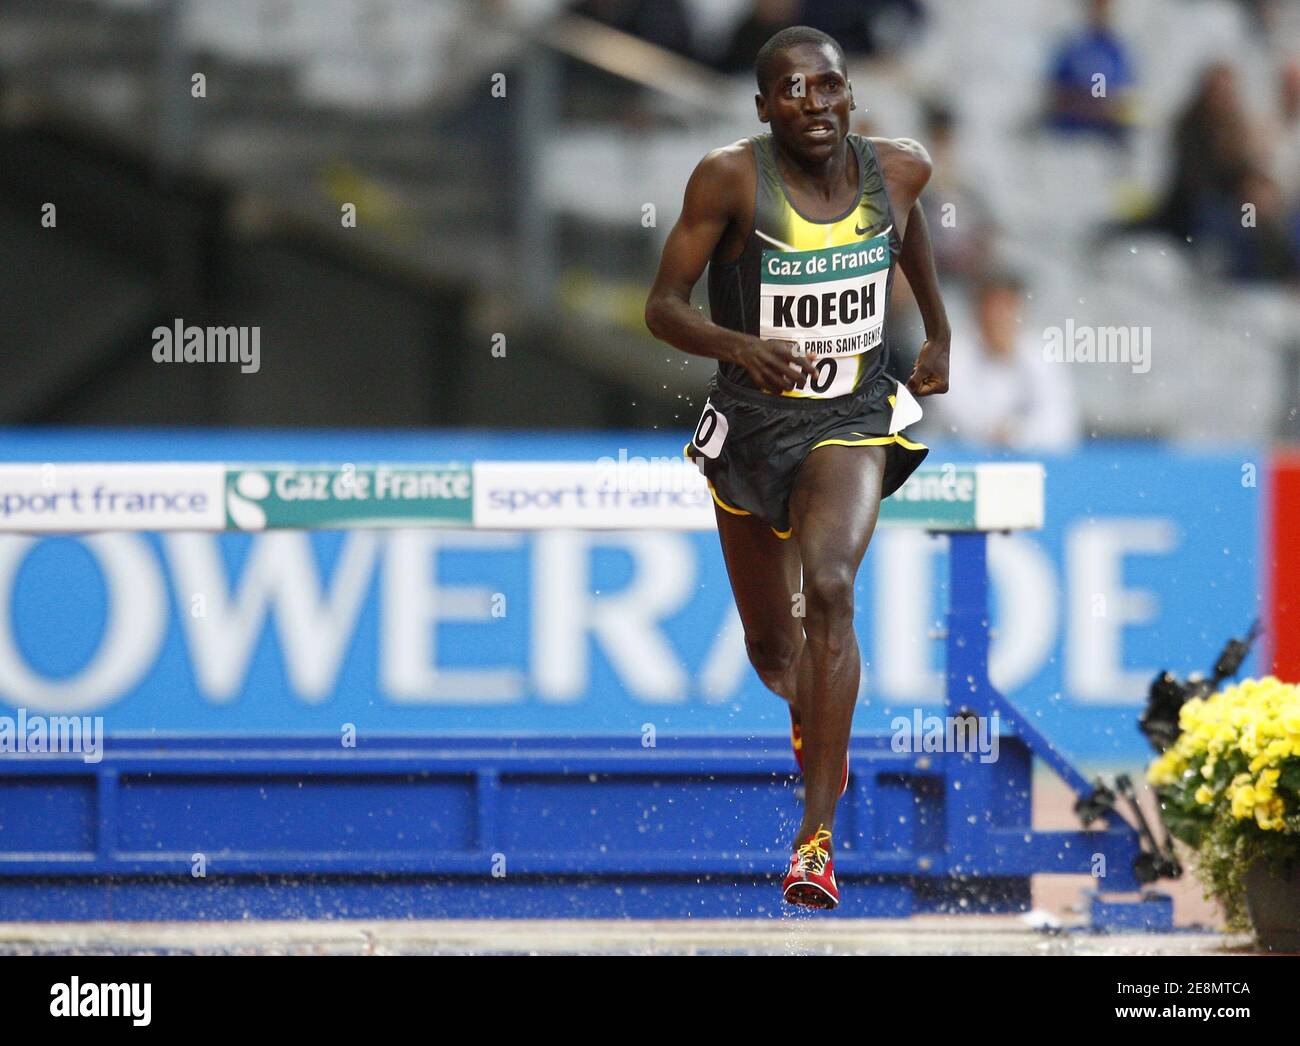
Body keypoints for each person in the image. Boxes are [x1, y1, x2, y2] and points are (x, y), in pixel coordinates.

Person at [644, 25, 950, 909]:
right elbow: (662, 308)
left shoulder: (900, 166)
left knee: (833, 589)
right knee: (775, 650)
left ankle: (815, 839)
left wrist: (936, 327)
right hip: (751, 424)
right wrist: (740, 344)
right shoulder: (728, 178)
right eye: (792, 91)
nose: (813, 105)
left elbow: (908, 227)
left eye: (828, 87)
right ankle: (808, 712)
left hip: (851, 418)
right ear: (763, 105)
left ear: (851, 93)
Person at [922, 273, 1080, 452]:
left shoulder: (1043, 356)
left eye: (1007, 309)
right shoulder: (947, 355)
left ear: (1020, 312)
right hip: (955, 459)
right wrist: (1000, 433)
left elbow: (1062, 428)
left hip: (1029, 460)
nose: (998, 319)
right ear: (977, 313)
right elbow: (959, 420)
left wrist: (1017, 435)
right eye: (992, 310)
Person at [1044, 0, 1137, 143]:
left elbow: (1125, 98)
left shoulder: (1116, 50)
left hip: (1104, 141)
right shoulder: (1072, 46)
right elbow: (1054, 94)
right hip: (1066, 138)